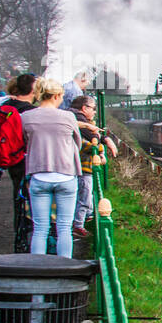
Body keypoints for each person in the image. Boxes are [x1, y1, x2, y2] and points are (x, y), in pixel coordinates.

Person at [21, 78, 82, 257]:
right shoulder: (68, 117)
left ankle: (37, 268)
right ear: (56, 96)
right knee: (64, 228)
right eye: (62, 96)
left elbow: (25, 141)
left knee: (40, 228)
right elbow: (77, 143)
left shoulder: (26, 117)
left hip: (39, 175)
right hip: (66, 175)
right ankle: (65, 267)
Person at [0, 74, 39, 253]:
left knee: (19, 197)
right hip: (28, 159)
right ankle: (27, 243)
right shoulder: (28, 112)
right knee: (31, 202)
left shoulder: (7, 106)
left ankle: (21, 238)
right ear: (31, 90)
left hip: (12, 158)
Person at [70, 96, 117, 236]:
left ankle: (87, 216)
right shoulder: (78, 122)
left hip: (83, 168)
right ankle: (78, 225)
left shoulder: (80, 120)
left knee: (86, 197)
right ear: (84, 108)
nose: (95, 112)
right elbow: (88, 143)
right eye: (93, 108)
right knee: (84, 197)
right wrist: (102, 150)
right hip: (83, 169)